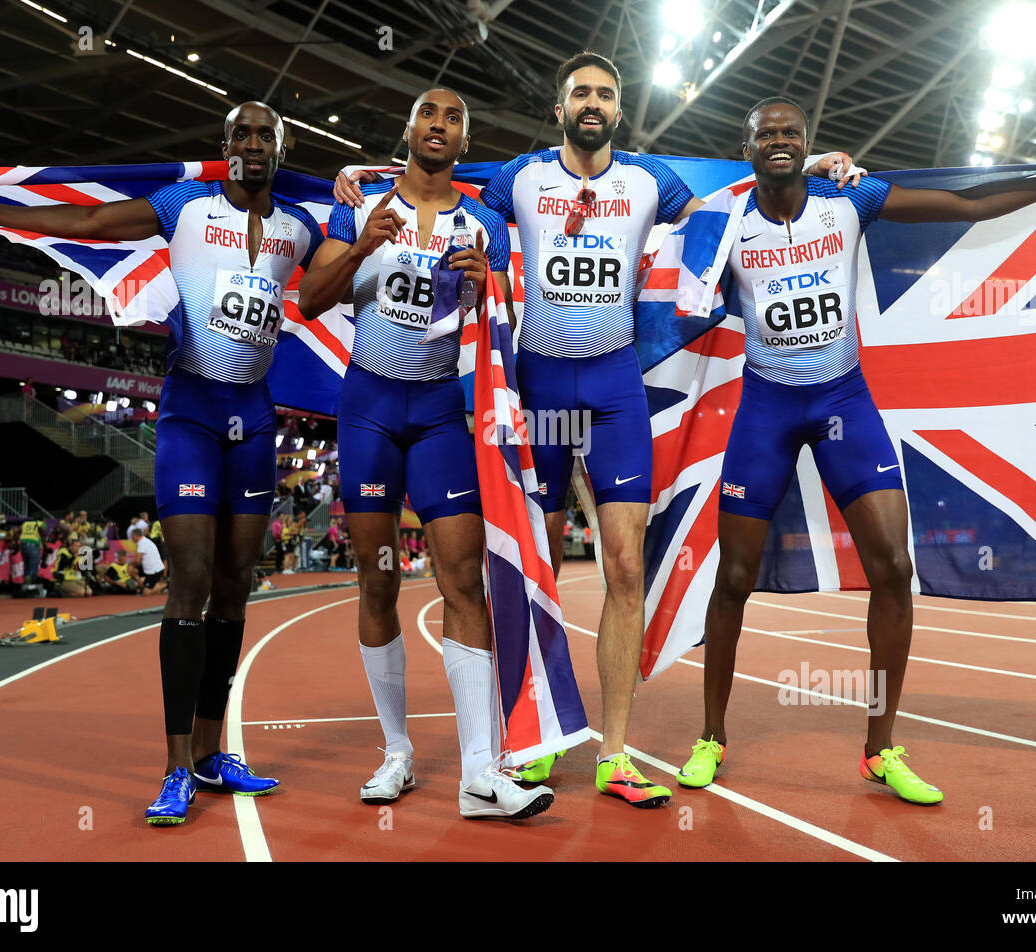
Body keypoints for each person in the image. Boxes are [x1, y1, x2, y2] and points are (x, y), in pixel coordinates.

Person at [332, 52, 854, 807]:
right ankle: (536, 741)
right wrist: (359, 174)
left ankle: (613, 754)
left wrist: (821, 165)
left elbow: (738, 189)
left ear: (619, 109)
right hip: (538, 391)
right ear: (559, 106)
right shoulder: (521, 177)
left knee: (625, 567)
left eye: (606, 93)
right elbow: (442, 177)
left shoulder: (649, 180)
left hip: (613, 391)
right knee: (529, 571)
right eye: (580, 91)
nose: (593, 103)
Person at [674, 96, 1036, 804]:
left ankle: (880, 748)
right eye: (765, 135)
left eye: (791, 133)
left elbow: (970, 205)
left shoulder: (849, 199)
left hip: (843, 399)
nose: (779, 142)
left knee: (895, 565)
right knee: (735, 576)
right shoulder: (722, 222)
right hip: (768, 406)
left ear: (806, 140)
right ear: (746, 147)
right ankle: (711, 736)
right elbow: (650, 230)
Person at [0, 99, 326, 825]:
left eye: (268, 133)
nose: (255, 142)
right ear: (226, 145)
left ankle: (211, 751)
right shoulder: (184, 206)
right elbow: (86, 224)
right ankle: (175, 767)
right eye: (243, 132)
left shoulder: (301, 227)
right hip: (191, 413)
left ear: (282, 147)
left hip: (257, 417)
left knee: (237, 585)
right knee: (191, 581)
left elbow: (354, 272)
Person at [298, 86, 552, 819]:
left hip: (442, 414)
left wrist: (489, 284)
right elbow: (312, 298)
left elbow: (508, 319)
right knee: (376, 583)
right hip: (369, 411)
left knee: (461, 580)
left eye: (454, 119)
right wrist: (367, 245)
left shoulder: (483, 227)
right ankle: (397, 753)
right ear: (407, 128)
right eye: (429, 114)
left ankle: (480, 773)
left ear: (463, 142)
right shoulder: (359, 207)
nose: (439, 125)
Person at [130, 525, 168, 595]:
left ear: (135, 536)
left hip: (154, 571)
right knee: (141, 584)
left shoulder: (142, 543)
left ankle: (165, 585)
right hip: (154, 571)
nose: (132, 539)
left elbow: (137, 560)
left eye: (132, 537)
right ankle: (156, 586)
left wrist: (131, 566)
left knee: (146, 593)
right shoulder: (145, 541)